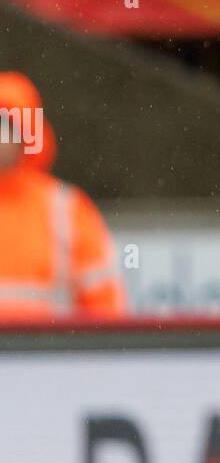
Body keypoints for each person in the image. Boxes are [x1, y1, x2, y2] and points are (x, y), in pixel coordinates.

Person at [0, 71, 126, 318]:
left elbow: (105, 305)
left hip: (49, 355)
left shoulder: (65, 208)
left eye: (6, 125)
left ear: (26, 132)